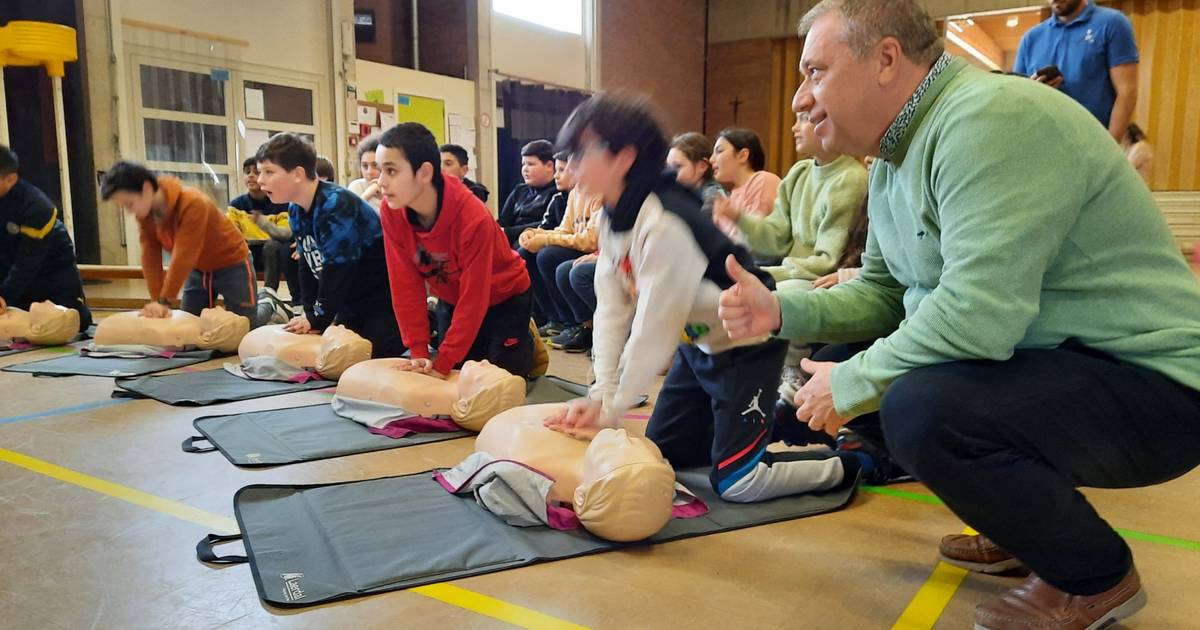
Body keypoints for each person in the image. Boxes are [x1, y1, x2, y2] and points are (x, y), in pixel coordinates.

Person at [717, 2, 1200, 628]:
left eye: (815, 72)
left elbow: (977, 313)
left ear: (886, 59)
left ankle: (1095, 576)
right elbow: (884, 296)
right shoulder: (895, 159)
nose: (799, 99)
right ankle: (1031, 527)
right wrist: (779, 311)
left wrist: (857, 381)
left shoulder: (989, 118)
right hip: (1069, 367)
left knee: (917, 405)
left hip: (1159, 389)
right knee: (861, 376)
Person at [544, 93, 873, 506]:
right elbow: (611, 308)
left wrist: (610, 408)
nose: (570, 165)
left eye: (580, 153)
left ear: (623, 157)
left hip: (748, 349)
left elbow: (653, 331)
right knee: (668, 455)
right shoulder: (614, 215)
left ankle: (855, 462)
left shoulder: (665, 221)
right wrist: (600, 394)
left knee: (737, 481)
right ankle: (778, 418)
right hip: (698, 347)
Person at [714, 110, 867, 402]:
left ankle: (794, 372)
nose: (794, 127)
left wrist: (769, 275)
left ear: (831, 122)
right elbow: (775, 236)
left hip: (821, 277)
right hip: (795, 270)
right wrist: (740, 218)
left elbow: (827, 260)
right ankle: (748, 373)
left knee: (783, 294)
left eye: (805, 119)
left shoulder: (850, 177)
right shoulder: (799, 173)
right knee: (732, 292)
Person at [375, 122, 539, 378]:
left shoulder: (474, 218)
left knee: (497, 380)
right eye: (379, 170)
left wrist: (444, 361)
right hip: (451, 296)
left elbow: (475, 296)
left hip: (504, 296)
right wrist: (418, 349)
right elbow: (404, 282)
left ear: (425, 173)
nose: (380, 182)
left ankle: (524, 339)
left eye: (391, 171)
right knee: (458, 370)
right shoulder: (391, 211)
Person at [255, 132, 406, 357]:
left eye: (268, 172)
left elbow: (338, 268)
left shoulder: (336, 204)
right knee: (331, 353)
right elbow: (307, 262)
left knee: (371, 355)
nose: (260, 180)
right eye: (260, 172)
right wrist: (309, 314)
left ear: (297, 174)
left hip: (383, 302)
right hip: (350, 302)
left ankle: (429, 316)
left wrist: (319, 316)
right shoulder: (296, 208)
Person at [101, 161, 266, 325]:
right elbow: (150, 257)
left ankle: (269, 304)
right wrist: (157, 300)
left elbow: (184, 254)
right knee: (189, 326)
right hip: (198, 269)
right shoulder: (145, 216)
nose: (130, 211)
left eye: (129, 204)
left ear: (146, 188)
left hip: (232, 263)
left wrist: (164, 301)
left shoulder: (194, 203)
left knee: (246, 326)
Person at [1013, 0, 1139, 142]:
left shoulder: (1113, 23)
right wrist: (1036, 89)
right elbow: (1018, 99)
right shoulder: (1031, 38)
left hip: (1092, 145)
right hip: (1043, 144)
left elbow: (1127, 92)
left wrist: (1110, 148)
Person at [0, 144, 91, 332]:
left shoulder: (37, 207)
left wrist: (4, 295)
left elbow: (27, 264)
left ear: (9, 179)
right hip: (9, 268)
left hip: (50, 274)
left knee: (70, 323)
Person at [518, 159, 603, 351]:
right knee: (527, 253)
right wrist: (537, 234)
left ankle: (581, 325)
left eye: (565, 169)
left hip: (594, 251)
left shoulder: (600, 193)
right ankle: (557, 319)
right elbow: (564, 229)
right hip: (582, 249)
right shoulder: (576, 193)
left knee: (550, 257)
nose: (558, 174)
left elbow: (591, 240)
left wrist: (546, 240)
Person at [227, 157, 297, 307]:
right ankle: (240, 302)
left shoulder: (280, 202)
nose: (251, 176)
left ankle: (268, 295)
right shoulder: (237, 204)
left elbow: (284, 234)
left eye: (256, 172)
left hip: (273, 252)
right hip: (248, 250)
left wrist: (262, 223)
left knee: (273, 247)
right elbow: (231, 232)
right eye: (247, 172)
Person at [709, 128, 781, 242]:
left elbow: (752, 240)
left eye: (719, 151)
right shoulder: (730, 196)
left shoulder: (762, 180)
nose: (711, 159)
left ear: (742, 155)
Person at [498, 139, 557, 247]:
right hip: (508, 238)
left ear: (549, 166)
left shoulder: (558, 194)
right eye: (523, 164)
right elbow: (503, 221)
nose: (525, 169)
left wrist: (508, 232)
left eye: (530, 164)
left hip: (534, 240)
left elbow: (548, 224)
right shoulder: (519, 190)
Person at [667, 131, 726, 213]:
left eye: (677, 166)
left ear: (702, 166)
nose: (669, 173)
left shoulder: (713, 194)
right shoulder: (682, 191)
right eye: (668, 167)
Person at [347, 134, 383, 210]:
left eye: (375, 165)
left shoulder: (396, 188)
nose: (369, 172)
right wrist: (366, 195)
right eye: (365, 166)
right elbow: (350, 217)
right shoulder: (356, 187)